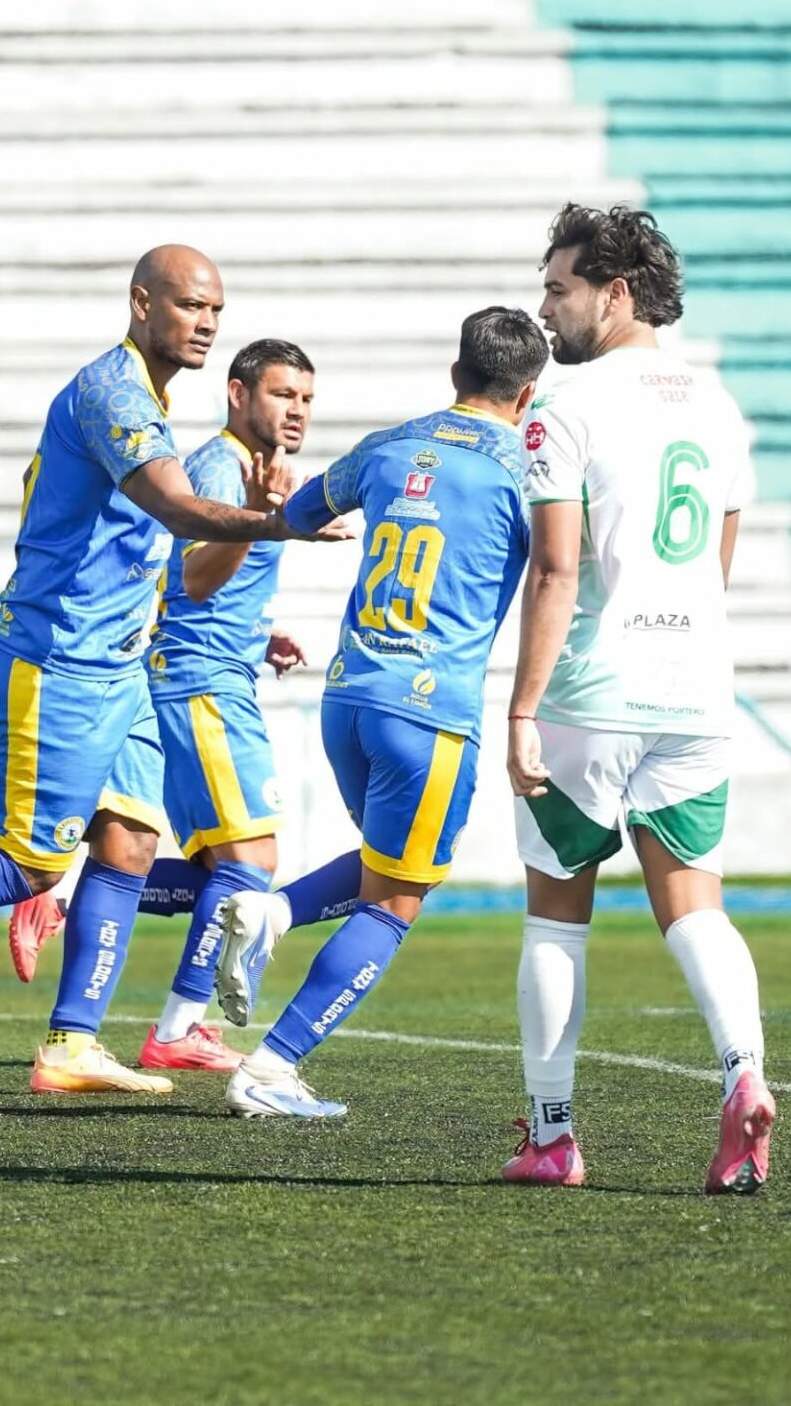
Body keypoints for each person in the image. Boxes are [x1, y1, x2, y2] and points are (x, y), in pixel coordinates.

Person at [0, 245, 343, 1095]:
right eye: (192, 306)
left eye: (216, 312)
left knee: (127, 844)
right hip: (54, 659)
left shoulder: (144, 400)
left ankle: (70, 1043)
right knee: (32, 866)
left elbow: (138, 543)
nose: (206, 324)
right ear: (141, 302)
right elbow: (172, 507)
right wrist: (282, 524)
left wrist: (230, 623)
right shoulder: (115, 391)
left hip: (114, 663)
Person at [217, 307, 550, 1118]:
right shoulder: (527, 471)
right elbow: (564, 571)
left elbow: (295, 517)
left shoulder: (388, 444)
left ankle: (277, 910)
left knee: (382, 865)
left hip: (349, 699)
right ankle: (270, 1066)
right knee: (395, 901)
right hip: (430, 714)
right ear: (528, 393)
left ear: (454, 375)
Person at [503, 203, 775, 1194]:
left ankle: (549, 1134)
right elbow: (717, 560)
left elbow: (555, 572)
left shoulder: (563, 406)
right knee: (692, 902)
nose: (544, 309)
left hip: (592, 690)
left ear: (614, 294)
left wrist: (521, 709)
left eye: (558, 287)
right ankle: (742, 1075)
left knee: (553, 916)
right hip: (697, 688)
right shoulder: (719, 404)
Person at [8, 338, 337, 1075]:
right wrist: (265, 521)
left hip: (217, 671)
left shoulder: (237, 469)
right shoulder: (222, 466)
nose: (296, 412)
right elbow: (193, 574)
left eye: (306, 400)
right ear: (238, 394)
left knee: (220, 866)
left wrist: (260, 633)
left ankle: (60, 896)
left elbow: (181, 580)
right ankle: (177, 1027)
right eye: (282, 395)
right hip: (198, 685)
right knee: (251, 864)